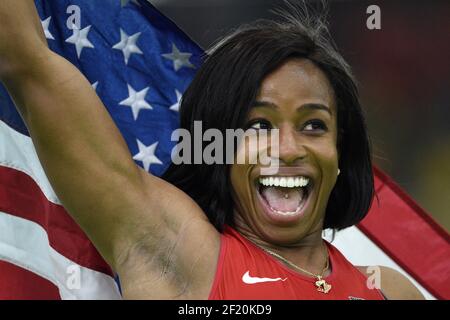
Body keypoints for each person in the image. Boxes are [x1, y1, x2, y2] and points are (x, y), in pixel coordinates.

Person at [0, 0, 423, 299]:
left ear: (340, 152)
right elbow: (27, 62)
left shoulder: (389, 290)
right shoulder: (174, 248)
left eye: (314, 125)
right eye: (258, 125)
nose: (289, 148)